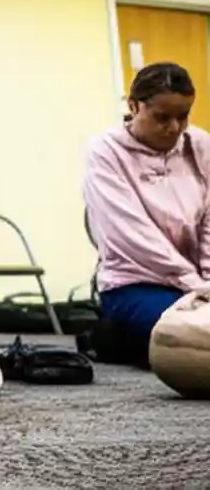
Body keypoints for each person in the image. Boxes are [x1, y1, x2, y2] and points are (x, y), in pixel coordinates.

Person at [84, 62, 209, 364]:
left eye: (183, 117)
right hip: (136, 282)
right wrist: (195, 286)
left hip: (200, 281)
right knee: (194, 338)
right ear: (134, 106)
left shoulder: (200, 145)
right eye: (162, 117)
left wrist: (207, 278)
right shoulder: (106, 151)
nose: (175, 128)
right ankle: (118, 333)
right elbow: (132, 234)